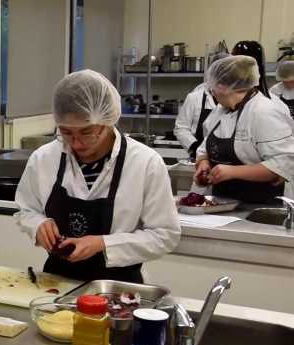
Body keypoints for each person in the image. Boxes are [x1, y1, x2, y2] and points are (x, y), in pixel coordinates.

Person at [15, 70, 180, 284]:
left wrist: (103, 244)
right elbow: (25, 210)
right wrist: (38, 224)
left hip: (118, 288)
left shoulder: (145, 163)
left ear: (108, 120)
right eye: (66, 132)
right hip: (56, 283)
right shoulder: (44, 158)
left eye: (86, 132)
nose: (76, 143)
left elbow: (165, 235)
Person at [194, 55, 294, 204]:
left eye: (212, 88)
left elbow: (284, 164)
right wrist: (204, 164)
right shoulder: (220, 111)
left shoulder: (263, 112)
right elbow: (205, 148)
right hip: (221, 202)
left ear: (222, 86)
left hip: (260, 205)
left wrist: (233, 172)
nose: (212, 93)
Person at [173, 53, 229, 160]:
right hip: (199, 158)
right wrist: (194, 147)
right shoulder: (195, 98)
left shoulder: (235, 98)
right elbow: (181, 128)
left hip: (227, 159)